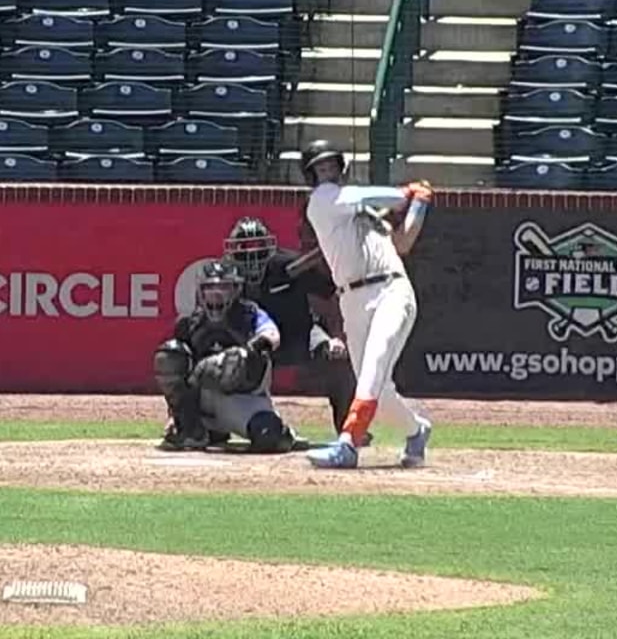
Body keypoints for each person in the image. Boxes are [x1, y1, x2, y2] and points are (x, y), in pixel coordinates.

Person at [300, 140, 434, 470]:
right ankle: (416, 430)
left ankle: (349, 441)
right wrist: (406, 193)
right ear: (311, 175)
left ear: (342, 168)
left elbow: (403, 242)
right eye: (320, 168)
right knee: (378, 390)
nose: (327, 172)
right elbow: (381, 197)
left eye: (332, 166)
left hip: (392, 290)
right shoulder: (322, 201)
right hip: (352, 299)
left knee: (374, 364)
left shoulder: (369, 214)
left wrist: (419, 205)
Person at [222, 216, 358, 438]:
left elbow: (331, 294)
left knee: (338, 359)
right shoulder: (224, 276)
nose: (251, 258)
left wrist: (335, 337)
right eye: (244, 251)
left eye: (257, 250)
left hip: (300, 335)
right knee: (209, 362)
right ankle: (208, 427)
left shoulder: (289, 265)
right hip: (251, 344)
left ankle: (349, 430)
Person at [153, 259, 300, 454]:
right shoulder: (191, 323)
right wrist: (176, 415)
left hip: (243, 399)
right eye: (210, 288)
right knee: (169, 356)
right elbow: (176, 373)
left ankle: (281, 431)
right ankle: (191, 429)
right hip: (204, 398)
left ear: (236, 290)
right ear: (201, 291)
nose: (216, 294)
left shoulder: (249, 314)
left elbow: (271, 335)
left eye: (224, 288)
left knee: (269, 437)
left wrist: (247, 351)